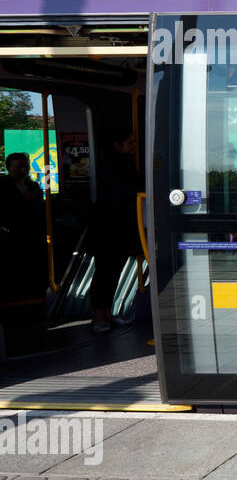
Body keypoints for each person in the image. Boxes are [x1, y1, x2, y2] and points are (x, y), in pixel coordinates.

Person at [89, 130, 145, 332]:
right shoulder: (113, 165)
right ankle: (98, 316)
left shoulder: (124, 163)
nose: (133, 146)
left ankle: (107, 313)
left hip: (118, 225)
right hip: (108, 226)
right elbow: (132, 188)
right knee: (105, 271)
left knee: (112, 272)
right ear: (117, 144)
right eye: (129, 142)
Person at [0, 152, 49, 310]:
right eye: (19, 166)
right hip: (11, 234)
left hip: (32, 233)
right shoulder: (3, 186)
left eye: (26, 166)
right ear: (8, 168)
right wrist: (23, 201)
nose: (24, 170)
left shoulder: (33, 185)